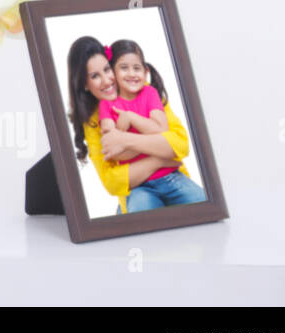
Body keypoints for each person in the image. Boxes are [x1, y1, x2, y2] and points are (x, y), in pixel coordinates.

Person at [66, 35, 193, 214]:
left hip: (171, 179)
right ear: (84, 84)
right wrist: (161, 158)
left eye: (107, 69)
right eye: (95, 76)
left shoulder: (145, 91)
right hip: (138, 190)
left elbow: (180, 144)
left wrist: (124, 138)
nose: (106, 81)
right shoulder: (93, 120)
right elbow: (112, 181)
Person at [96, 38, 206, 212]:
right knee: (141, 215)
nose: (132, 73)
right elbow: (116, 152)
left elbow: (161, 129)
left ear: (145, 72)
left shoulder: (150, 93)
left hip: (170, 177)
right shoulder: (107, 104)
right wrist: (155, 146)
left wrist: (130, 120)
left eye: (137, 68)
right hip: (138, 186)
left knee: (203, 204)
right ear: (112, 74)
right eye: (124, 68)